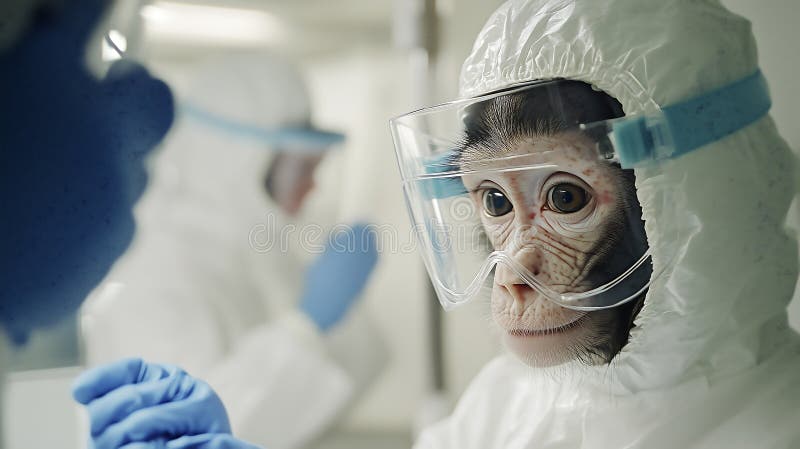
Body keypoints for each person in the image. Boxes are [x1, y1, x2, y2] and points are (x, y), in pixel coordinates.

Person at [391, 0, 800, 447]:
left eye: (566, 198)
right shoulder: (501, 406)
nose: (512, 275)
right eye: (495, 200)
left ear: (703, 194)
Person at [78, 52, 385, 449]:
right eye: (299, 169)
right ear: (238, 162)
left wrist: (336, 315)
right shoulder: (150, 278)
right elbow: (192, 435)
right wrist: (306, 327)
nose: (312, 187)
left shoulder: (258, 256)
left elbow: (337, 389)